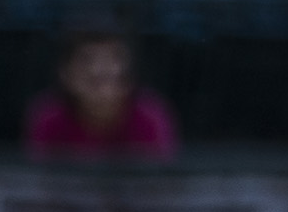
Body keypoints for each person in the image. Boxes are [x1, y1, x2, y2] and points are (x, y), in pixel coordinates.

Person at [22, 26, 180, 161]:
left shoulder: (149, 116)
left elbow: (160, 185)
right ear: (65, 72)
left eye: (113, 58)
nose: (100, 67)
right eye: (87, 59)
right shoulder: (49, 117)